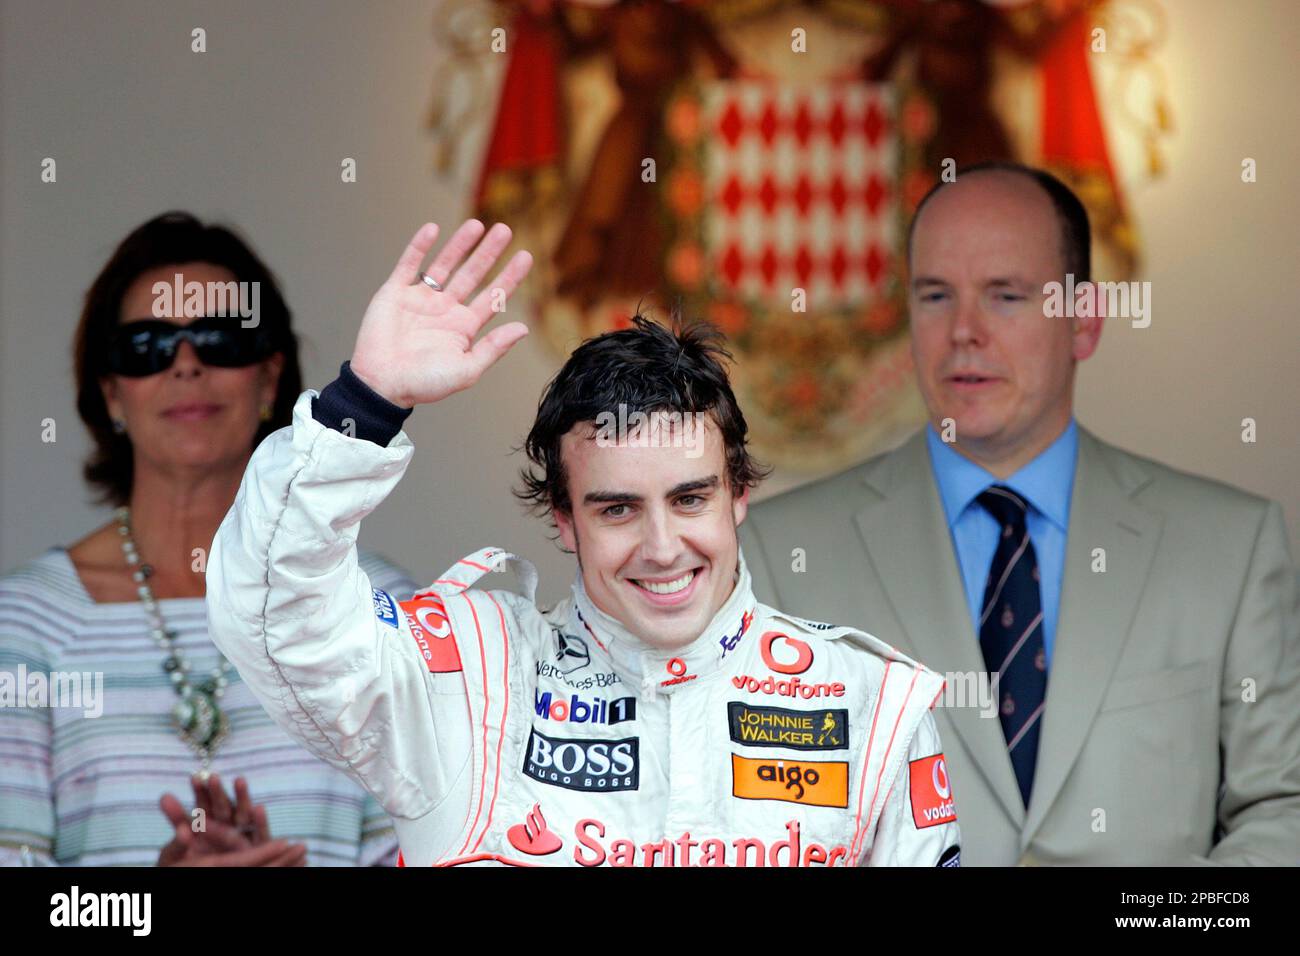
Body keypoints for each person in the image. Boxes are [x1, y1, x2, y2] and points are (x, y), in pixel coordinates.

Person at [206, 218, 962, 867]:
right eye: (618, 510)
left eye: (691, 498)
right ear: (563, 519)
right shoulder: (468, 683)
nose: (663, 547)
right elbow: (278, 619)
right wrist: (364, 403)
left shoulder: (866, 701)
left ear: (740, 494)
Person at [740, 163, 1300, 865]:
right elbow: (754, 826)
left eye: (1006, 295)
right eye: (936, 295)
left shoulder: (1229, 546)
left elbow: (1281, 808)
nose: (964, 331)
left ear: (1086, 320)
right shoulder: (780, 553)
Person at [0, 212, 415, 866]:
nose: (187, 365)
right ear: (110, 391)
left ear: (270, 379)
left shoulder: (380, 610)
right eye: (148, 347)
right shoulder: (21, 626)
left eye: (220, 339)